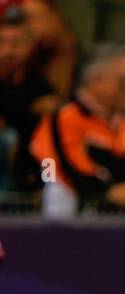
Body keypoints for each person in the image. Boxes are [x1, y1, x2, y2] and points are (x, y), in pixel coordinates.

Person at [29, 43, 125, 214]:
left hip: (106, 201)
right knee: (57, 186)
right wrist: (107, 189)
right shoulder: (65, 116)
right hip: (63, 193)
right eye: (123, 82)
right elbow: (68, 165)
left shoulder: (123, 122)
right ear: (96, 81)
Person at [0, 4, 56, 193]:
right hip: (5, 155)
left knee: (52, 146)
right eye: (2, 43)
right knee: (8, 139)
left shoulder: (36, 80)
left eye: (16, 44)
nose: (8, 51)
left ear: (30, 46)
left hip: (32, 152)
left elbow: (55, 106)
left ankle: (49, 190)